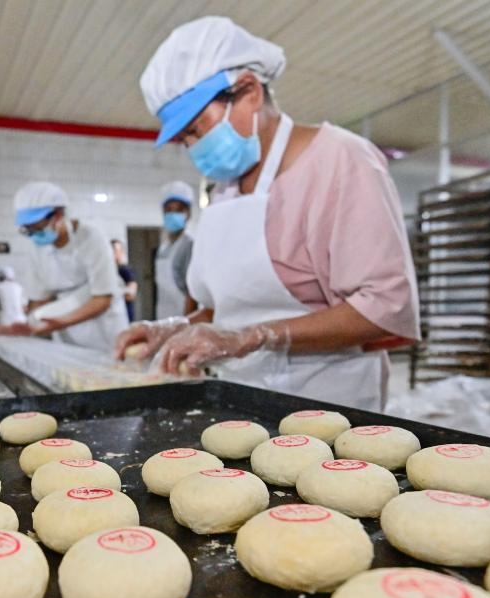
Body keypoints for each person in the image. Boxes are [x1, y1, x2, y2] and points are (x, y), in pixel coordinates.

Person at [119, 17, 419, 410]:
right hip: (240, 401)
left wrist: (252, 337)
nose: (194, 148)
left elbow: (385, 311)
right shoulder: (225, 190)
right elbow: (225, 308)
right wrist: (171, 329)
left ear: (249, 92)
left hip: (327, 408)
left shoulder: (341, 161)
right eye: (184, 139)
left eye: (196, 129)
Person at [0, 182, 129, 351]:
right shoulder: (38, 250)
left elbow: (103, 298)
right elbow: (39, 299)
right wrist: (29, 325)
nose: (34, 234)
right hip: (64, 330)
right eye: (28, 229)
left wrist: (63, 321)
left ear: (58, 214)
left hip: (103, 329)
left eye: (37, 226)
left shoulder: (92, 239)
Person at [154, 181, 197, 319]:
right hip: (164, 316)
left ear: (188, 214)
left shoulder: (189, 245)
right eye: (169, 209)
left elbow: (192, 293)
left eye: (179, 210)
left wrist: (186, 327)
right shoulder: (163, 248)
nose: (173, 214)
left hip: (181, 319)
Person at [111, 239, 138, 322]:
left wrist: (110, 296)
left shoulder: (125, 271)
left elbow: (131, 295)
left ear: (121, 252)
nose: (113, 254)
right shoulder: (107, 271)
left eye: (116, 251)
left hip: (125, 315)